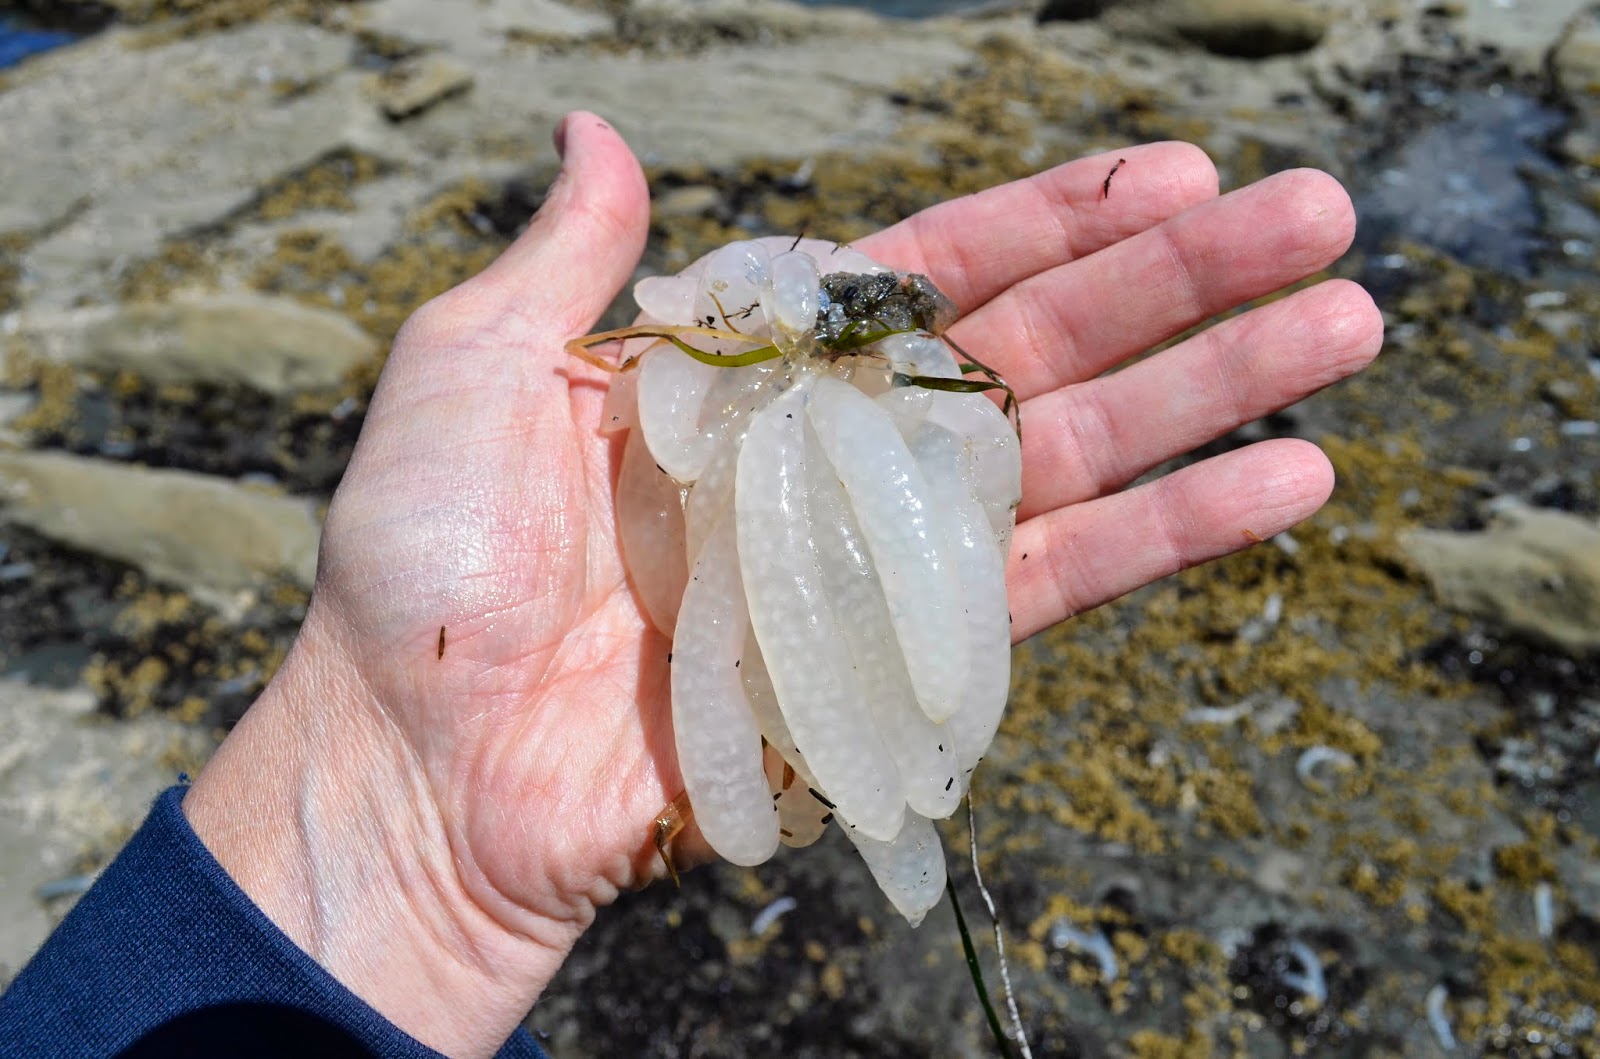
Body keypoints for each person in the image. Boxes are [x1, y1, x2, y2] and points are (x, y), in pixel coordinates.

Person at [0, 112, 1381, 1057]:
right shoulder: (708, 397)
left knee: (902, 697)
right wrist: (399, 779)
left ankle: (910, 808)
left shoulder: (890, 402)